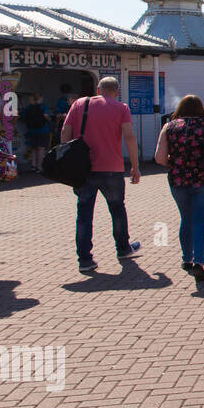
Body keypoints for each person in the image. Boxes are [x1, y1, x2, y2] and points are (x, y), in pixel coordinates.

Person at [61, 77, 141, 273]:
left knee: (84, 214)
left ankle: (85, 259)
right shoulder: (121, 108)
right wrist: (135, 166)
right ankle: (123, 248)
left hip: (84, 168)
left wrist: (68, 159)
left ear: (98, 89)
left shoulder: (80, 104)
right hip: (112, 168)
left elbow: (65, 132)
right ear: (117, 91)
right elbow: (129, 136)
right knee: (117, 210)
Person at [155, 94, 204, 283]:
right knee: (202, 221)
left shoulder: (169, 127)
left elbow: (159, 157)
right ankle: (199, 262)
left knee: (186, 218)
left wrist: (175, 163)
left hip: (178, 180)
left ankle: (186, 258)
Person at [22, 91, 51, 172]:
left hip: (31, 131)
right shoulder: (43, 107)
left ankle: (33, 165)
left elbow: (23, 116)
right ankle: (39, 167)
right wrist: (50, 120)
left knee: (33, 149)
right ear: (40, 98)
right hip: (42, 130)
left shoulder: (28, 107)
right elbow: (46, 116)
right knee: (41, 149)